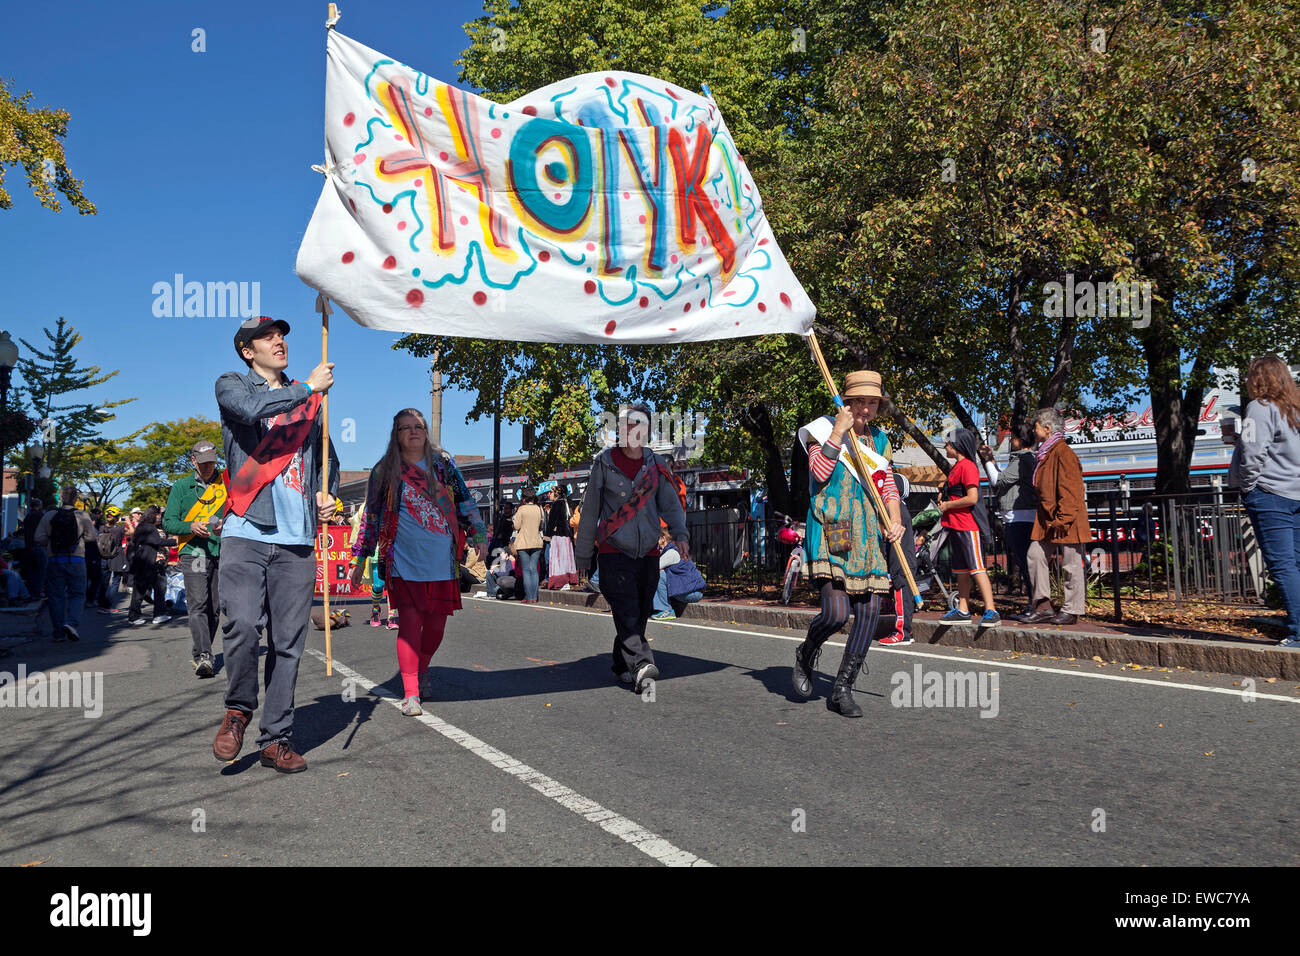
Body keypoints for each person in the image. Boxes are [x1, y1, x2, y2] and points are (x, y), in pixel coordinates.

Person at [211, 315, 339, 774]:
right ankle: (239, 710)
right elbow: (249, 410)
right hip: (247, 530)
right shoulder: (232, 384)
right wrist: (307, 388)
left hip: (297, 540)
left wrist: (327, 494)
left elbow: (328, 461)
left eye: (281, 334)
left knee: (289, 643)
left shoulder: (309, 402)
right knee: (243, 626)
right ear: (248, 351)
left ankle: (276, 738)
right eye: (267, 337)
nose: (278, 341)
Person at [350, 408, 487, 714]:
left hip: (442, 559)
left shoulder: (443, 465)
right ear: (395, 435)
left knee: (436, 627)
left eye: (419, 427)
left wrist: (478, 533)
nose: (413, 432)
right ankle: (411, 692)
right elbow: (372, 516)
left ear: (426, 432)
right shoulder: (383, 470)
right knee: (410, 624)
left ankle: (423, 668)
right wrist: (361, 558)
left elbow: (465, 500)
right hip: (403, 559)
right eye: (405, 428)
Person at [791, 370, 905, 717]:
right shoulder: (822, 430)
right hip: (832, 528)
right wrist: (839, 431)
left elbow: (887, 484)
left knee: (869, 612)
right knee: (837, 613)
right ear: (846, 401)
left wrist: (896, 518)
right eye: (860, 402)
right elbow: (819, 474)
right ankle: (806, 652)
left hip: (868, 533)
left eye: (872, 403)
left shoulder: (880, 441)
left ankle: (842, 688)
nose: (866, 409)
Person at [575, 403, 690, 692]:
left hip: (649, 551)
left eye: (638, 424)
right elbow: (590, 511)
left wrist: (680, 534)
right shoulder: (604, 462)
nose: (631, 429)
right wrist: (584, 554)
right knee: (626, 608)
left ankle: (620, 663)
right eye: (626, 424)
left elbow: (670, 504)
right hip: (614, 550)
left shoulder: (656, 465)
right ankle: (641, 664)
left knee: (639, 611)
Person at [1237, 355, 1300, 648]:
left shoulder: (1259, 408)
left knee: (1282, 565)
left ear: (1258, 379)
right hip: (1297, 492)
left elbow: (1252, 451)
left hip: (1271, 494)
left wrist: (1249, 486)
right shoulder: (1295, 408)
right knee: (1296, 564)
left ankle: (1298, 631)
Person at [1019, 407, 1092, 625]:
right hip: (1048, 520)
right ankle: (1042, 606)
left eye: (1037, 426)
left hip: (1065, 520)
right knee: (1035, 555)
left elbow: (1072, 491)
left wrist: (1063, 519)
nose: (1034, 429)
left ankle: (1071, 610)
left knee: (1070, 564)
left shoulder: (1063, 453)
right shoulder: (1047, 452)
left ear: (1047, 428)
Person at [163, 440, 225, 678]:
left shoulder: (226, 484)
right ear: (193, 461)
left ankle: (201, 648)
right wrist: (190, 525)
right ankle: (204, 657)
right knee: (198, 604)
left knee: (215, 608)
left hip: (221, 550)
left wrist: (224, 525)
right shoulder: (181, 487)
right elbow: (168, 522)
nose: (208, 467)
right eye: (203, 463)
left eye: (211, 462)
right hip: (194, 552)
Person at [937, 429, 1000, 628]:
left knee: (977, 568)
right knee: (962, 570)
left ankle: (991, 609)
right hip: (955, 525)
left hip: (967, 525)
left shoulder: (968, 467)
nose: (945, 446)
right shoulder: (957, 467)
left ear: (957, 446)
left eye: (948, 444)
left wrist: (947, 505)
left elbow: (972, 498)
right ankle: (963, 609)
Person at [980, 423, 1039, 616]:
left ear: (1020, 440)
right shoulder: (1027, 459)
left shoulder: (1023, 460)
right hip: (1023, 517)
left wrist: (987, 460)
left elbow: (997, 481)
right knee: (1026, 562)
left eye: (1013, 438)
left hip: (1019, 518)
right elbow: (1003, 478)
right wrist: (992, 461)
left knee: (1026, 563)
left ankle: (1035, 605)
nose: (1010, 441)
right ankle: (1035, 604)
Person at [34, 486, 98, 642]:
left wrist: (51, 541)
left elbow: (38, 538)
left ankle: (58, 632)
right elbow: (91, 538)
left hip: (55, 559)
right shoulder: (82, 515)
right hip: (76, 559)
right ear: (76, 499)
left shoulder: (50, 515)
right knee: (77, 594)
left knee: (56, 596)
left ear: (61, 498)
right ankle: (71, 623)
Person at [127, 506, 177, 625]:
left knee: (139, 591)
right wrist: (175, 541)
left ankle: (134, 616)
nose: (160, 517)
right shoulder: (150, 528)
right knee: (159, 589)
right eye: (159, 514)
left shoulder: (142, 526)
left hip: (142, 562)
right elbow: (157, 542)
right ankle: (159, 614)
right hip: (152, 563)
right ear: (154, 515)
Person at [651, 529, 705, 620]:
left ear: (663, 538)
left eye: (654, 539)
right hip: (692, 591)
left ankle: (666, 610)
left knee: (658, 575)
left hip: (692, 593)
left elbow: (652, 569)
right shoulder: (672, 550)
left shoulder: (671, 553)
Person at [512, 488, 545, 603]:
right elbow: (542, 525)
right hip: (536, 541)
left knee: (526, 570)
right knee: (534, 570)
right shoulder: (539, 508)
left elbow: (516, 526)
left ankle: (528, 596)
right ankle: (534, 596)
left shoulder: (521, 509)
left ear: (524, 498)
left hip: (523, 542)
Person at [545, 487, 578, 589]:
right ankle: (568, 579)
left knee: (558, 559)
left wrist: (547, 535)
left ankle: (561, 581)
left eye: (552, 492)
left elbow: (552, 521)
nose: (550, 494)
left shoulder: (557, 504)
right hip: (567, 535)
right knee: (566, 558)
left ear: (556, 493)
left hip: (558, 535)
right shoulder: (568, 503)